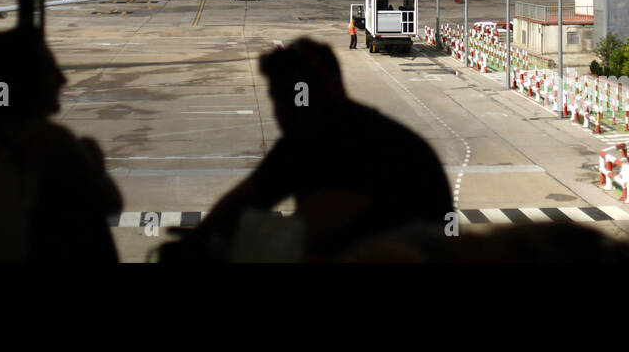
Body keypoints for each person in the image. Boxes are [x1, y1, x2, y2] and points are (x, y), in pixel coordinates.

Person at [182, 37, 452, 261]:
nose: (281, 112)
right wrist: (200, 238)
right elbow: (247, 197)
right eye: (276, 99)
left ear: (329, 91)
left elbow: (308, 231)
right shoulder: (304, 138)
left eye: (294, 97)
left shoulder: (363, 146)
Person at [0, 27, 122, 262]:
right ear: (25, 81)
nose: (62, 79)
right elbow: (109, 205)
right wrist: (94, 164)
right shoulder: (46, 140)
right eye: (49, 70)